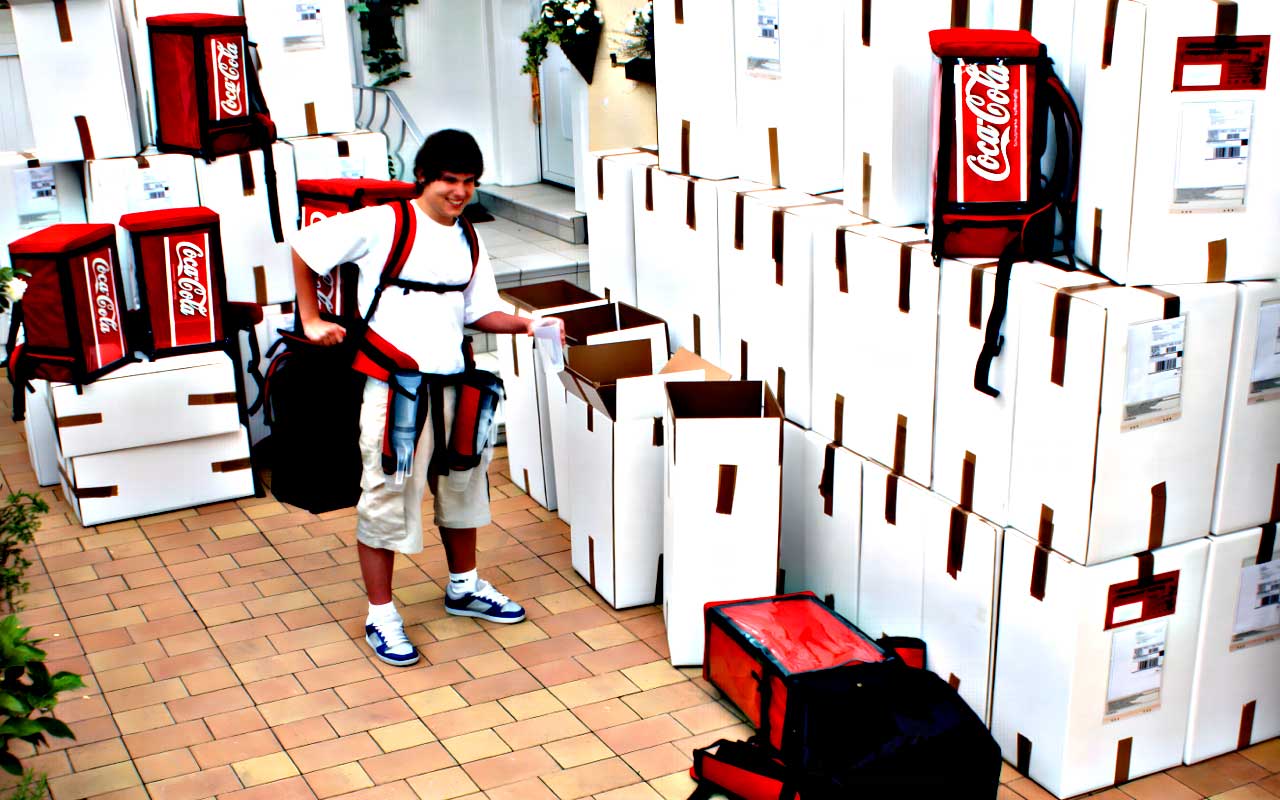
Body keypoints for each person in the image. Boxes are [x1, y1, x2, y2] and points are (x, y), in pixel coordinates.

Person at [287, 129, 550, 666]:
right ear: (423, 177)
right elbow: (304, 247)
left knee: (463, 488)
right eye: (450, 180)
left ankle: (464, 587)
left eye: (470, 182)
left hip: (456, 383)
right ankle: (381, 615)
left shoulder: (468, 237)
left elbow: (479, 311)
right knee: (386, 498)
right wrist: (310, 320)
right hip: (395, 388)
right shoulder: (386, 222)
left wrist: (528, 325)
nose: (460, 192)